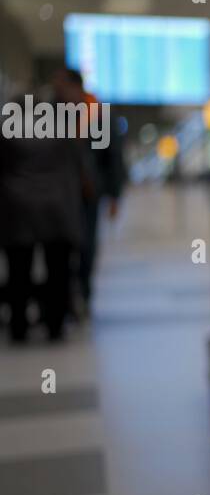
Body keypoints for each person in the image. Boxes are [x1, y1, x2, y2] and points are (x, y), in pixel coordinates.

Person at [0, 93, 85, 343]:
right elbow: (76, 165)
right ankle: (55, 324)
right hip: (56, 208)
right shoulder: (61, 133)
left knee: (18, 271)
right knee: (58, 270)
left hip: (18, 208)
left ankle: (18, 326)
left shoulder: (7, 132)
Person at [51, 68, 125, 315]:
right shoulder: (53, 112)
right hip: (60, 192)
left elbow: (113, 156)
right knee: (62, 247)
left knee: (87, 244)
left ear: (76, 87)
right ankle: (67, 298)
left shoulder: (98, 113)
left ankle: (83, 292)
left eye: (62, 86)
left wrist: (114, 195)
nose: (58, 91)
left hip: (88, 192)